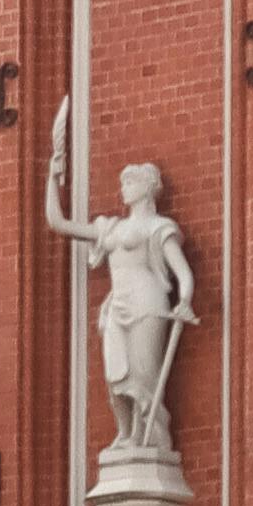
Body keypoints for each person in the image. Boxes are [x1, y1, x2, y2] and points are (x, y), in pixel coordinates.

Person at [44, 108, 196, 456]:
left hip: (148, 305)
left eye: (130, 182)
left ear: (147, 189)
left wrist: (185, 300)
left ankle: (152, 437)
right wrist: (52, 177)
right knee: (117, 380)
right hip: (118, 308)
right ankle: (127, 435)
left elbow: (183, 274)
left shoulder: (159, 228)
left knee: (144, 376)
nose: (122, 187)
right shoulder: (111, 228)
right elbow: (58, 222)